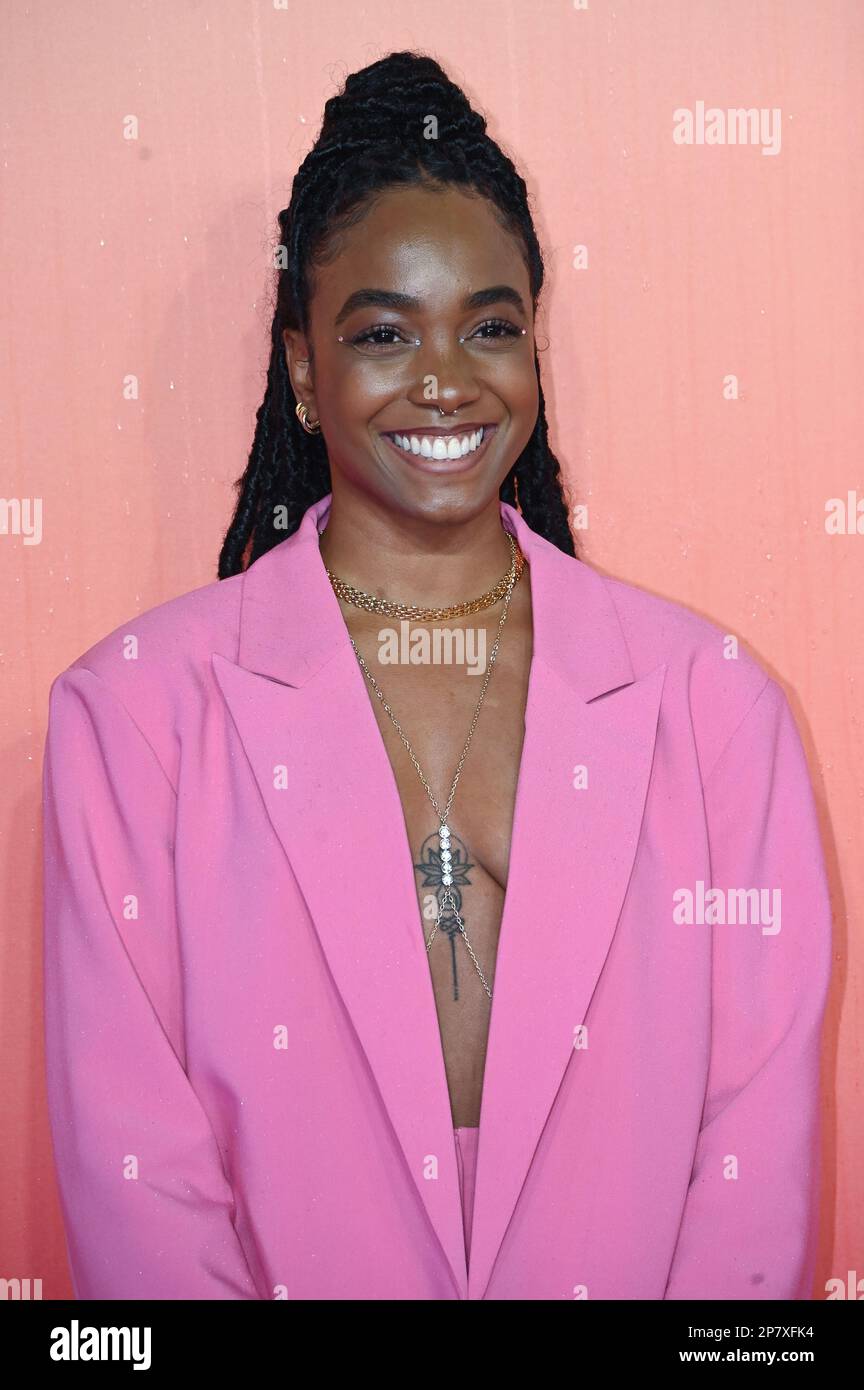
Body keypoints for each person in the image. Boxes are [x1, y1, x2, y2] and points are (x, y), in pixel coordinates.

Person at [42, 50, 832, 1301]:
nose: (448, 378)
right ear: (302, 370)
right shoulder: (133, 721)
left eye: (491, 324)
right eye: (383, 332)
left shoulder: (716, 708)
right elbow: (137, 1185)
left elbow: (754, 1159)